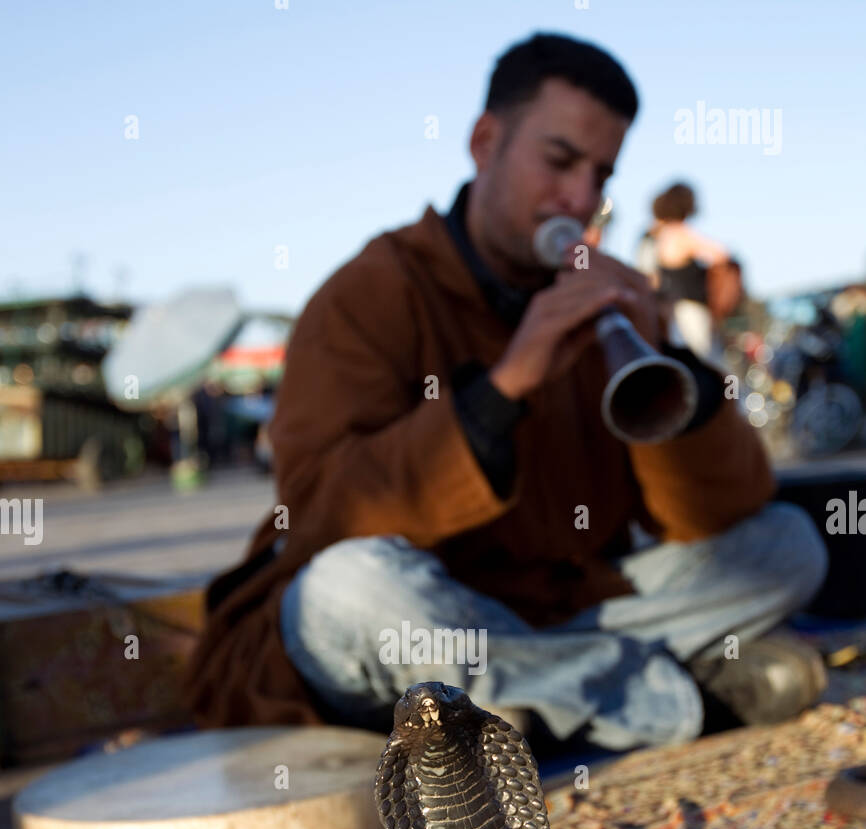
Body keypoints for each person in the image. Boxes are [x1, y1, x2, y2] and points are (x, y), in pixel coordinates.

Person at [187, 33, 828, 751]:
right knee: (348, 590)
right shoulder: (368, 293)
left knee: (789, 546)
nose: (580, 199)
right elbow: (322, 518)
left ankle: (524, 704)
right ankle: (685, 704)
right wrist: (503, 389)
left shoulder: (597, 302)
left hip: (553, 617)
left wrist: (666, 364)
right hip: (422, 613)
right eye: (559, 162)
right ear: (485, 142)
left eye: (601, 176)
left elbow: (716, 516)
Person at [642, 182, 729, 364]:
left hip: (670, 313)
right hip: (691, 312)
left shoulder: (657, 235)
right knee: (705, 365)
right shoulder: (681, 234)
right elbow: (721, 254)